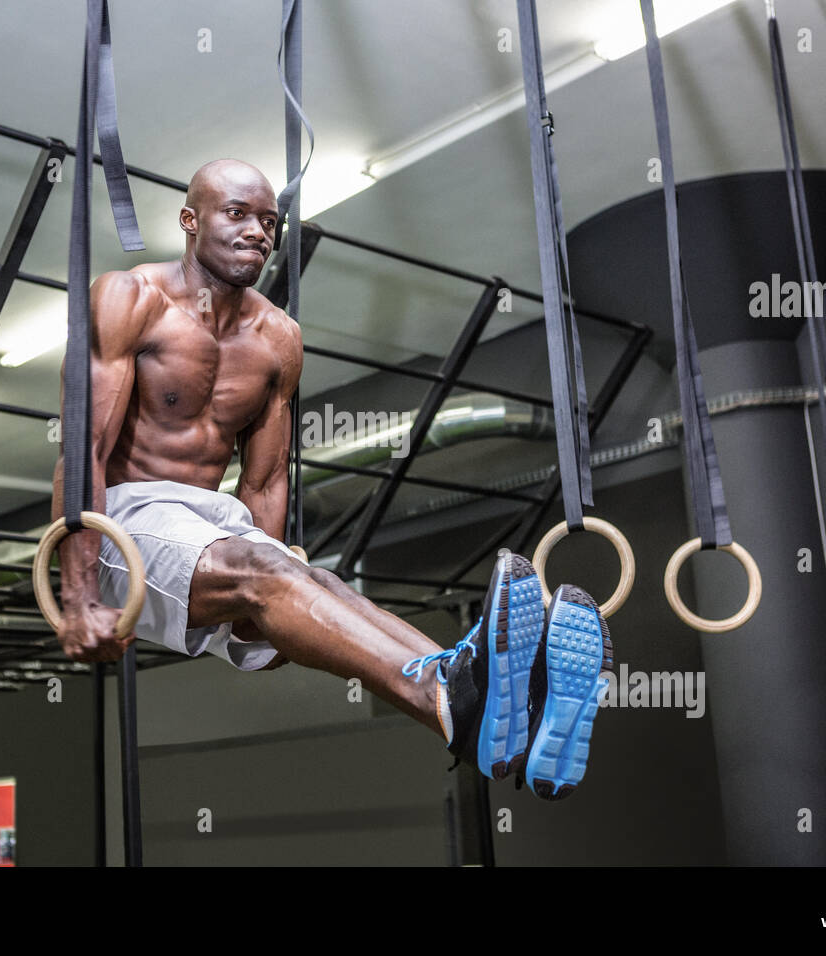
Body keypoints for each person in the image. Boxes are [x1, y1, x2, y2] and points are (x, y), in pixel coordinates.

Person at [51, 158, 612, 798]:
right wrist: (79, 597)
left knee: (314, 578)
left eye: (268, 221)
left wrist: (264, 606)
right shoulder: (129, 298)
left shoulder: (278, 337)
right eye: (237, 214)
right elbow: (84, 449)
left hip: (211, 523)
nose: (258, 233)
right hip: (123, 522)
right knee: (271, 574)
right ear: (189, 220)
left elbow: (261, 486)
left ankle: (496, 709)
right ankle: (453, 700)